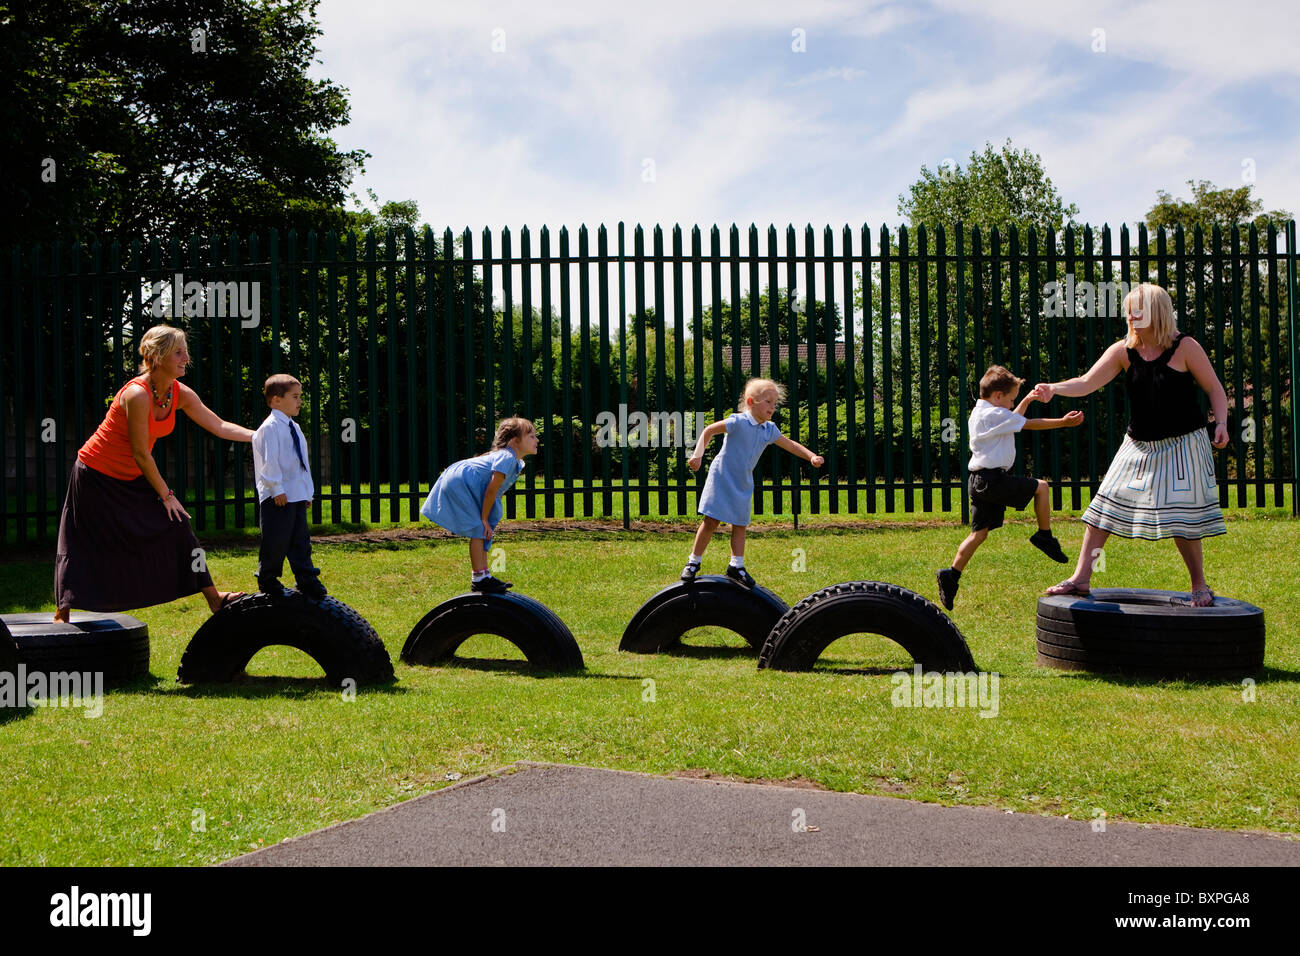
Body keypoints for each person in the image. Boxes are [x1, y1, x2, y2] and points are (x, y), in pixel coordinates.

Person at [1040, 283, 1229, 606]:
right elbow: (1087, 383)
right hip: (1139, 444)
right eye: (1128, 309)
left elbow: (1214, 388)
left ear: (1156, 311)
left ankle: (1199, 584)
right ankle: (1081, 578)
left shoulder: (1185, 347)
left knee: (1182, 519)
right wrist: (1054, 389)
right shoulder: (1123, 351)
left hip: (1184, 442)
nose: (1129, 315)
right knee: (1103, 510)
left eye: (1136, 309)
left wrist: (1222, 423)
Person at [54, 325, 252, 622]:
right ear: (157, 357)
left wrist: (261, 436)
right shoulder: (137, 394)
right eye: (178, 352)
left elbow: (219, 425)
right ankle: (63, 612)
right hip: (96, 473)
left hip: (132, 473)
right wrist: (166, 494)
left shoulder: (178, 393)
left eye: (186, 350)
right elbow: (141, 452)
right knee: (82, 541)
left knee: (178, 527)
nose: (187, 357)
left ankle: (214, 598)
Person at [936, 365, 1083, 611]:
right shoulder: (992, 415)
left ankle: (951, 575)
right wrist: (1063, 422)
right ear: (998, 396)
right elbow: (1027, 423)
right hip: (992, 481)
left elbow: (1014, 418)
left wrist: (1025, 399)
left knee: (978, 535)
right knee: (1042, 487)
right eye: (1011, 399)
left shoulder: (985, 412)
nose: (1012, 403)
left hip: (980, 480)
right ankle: (1044, 536)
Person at [682, 378, 823, 588]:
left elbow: (791, 445)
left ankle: (736, 566)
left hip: (743, 480)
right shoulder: (738, 422)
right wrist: (698, 456)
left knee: (740, 524)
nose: (772, 407)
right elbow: (709, 430)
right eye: (768, 402)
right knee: (711, 521)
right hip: (722, 476)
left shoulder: (769, 430)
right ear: (751, 402)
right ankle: (693, 562)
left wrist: (811, 456)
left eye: (775, 403)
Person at [420, 417, 538, 593]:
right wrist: (483, 518)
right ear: (515, 441)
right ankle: (479, 578)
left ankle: (484, 575)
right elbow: (491, 490)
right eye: (531, 436)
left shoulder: (513, 460)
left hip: (467, 482)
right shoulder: (507, 457)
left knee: (483, 530)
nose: (537, 440)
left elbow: (495, 491)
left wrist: (488, 517)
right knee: (478, 528)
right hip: (460, 481)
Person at [251, 373, 325, 599]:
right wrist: (276, 489)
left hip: (296, 494)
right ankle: (268, 578)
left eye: (300, 396)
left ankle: (306, 577)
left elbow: (301, 463)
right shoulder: (270, 427)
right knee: (276, 539)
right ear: (276, 400)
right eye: (295, 396)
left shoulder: (295, 427)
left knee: (300, 538)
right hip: (278, 497)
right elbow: (269, 461)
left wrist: (306, 491)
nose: (299, 401)